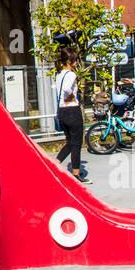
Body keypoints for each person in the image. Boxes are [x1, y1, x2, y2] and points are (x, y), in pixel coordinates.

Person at [53, 51, 90, 183]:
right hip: (72, 111)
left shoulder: (58, 74)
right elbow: (67, 89)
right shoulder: (71, 74)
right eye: (75, 60)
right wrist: (72, 97)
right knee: (76, 143)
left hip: (62, 111)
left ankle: (55, 164)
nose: (76, 63)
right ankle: (76, 173)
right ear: (69, 61)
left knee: (69, 142)